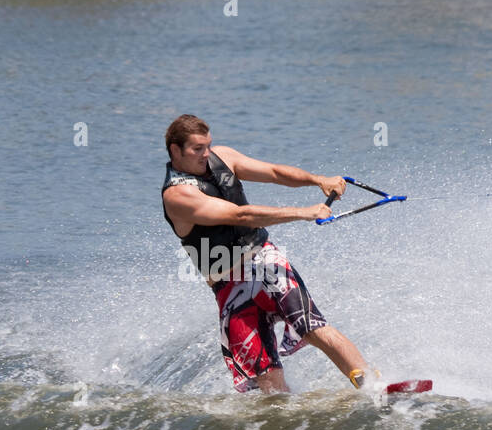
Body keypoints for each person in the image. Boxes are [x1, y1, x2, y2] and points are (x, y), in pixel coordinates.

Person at [160, 114, 373, 393]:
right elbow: (240, 215)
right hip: (229, 287)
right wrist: (303, 212)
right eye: (197, 149)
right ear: (175, 150)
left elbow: (273, 173)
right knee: (267, 375)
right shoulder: (177, 196)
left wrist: (318, 180)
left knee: (309, 324)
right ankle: (288, 427)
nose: (206, 154)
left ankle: (372, 384)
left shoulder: (222, 157)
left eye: (207, 146)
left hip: (265, 260)